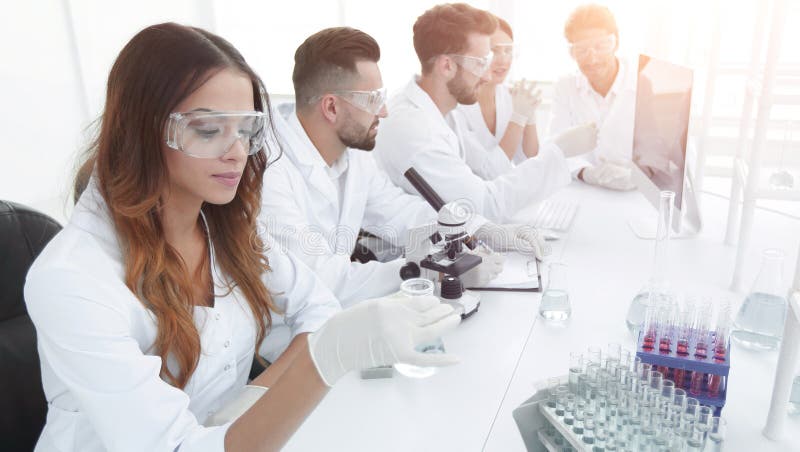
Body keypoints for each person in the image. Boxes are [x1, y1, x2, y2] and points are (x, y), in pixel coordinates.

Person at [24, 23, 460, 452]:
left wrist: (244, 408)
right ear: (141, 130)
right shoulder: (73, 279)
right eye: (209, 130)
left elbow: (318, 304)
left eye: (246, 130)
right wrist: (320, 363)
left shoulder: (223, 227)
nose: (235, 151)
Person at [260, 27, 509, 314]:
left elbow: (397, 210)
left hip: (337, 314)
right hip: (286, 337)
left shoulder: (353, 154)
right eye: (373, 100)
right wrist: (433, 269)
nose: (384, 112)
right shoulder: (269, 171)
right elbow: (320, 278)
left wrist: (477, 228)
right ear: (331, 107)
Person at [373, 3, 598, 227]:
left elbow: (485, 185)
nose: (487, 76)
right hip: (404, 251)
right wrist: (559, 150)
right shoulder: (413, 128)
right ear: (447, 66)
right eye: (481, 62)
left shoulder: (439, 111)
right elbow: (483, 205)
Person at [549, 3, 638, 191]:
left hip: (636, 195)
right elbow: (555, 147)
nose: (592, 58)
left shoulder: (646, 84)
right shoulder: (565, 87)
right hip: (582, 189)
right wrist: (586, 173)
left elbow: (671, 160)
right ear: (572, 52)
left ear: (616, 43)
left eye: (601, 46)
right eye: (581, 50)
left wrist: (638, 177)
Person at [456, 15, 541, 168]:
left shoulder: (511, 96)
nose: (504, 60)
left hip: (504, 187)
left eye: (508, 50)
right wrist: (519, 117)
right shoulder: (457, 105)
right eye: (494, 51)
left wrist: (530, 115)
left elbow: (529, 159)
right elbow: (487, 171)